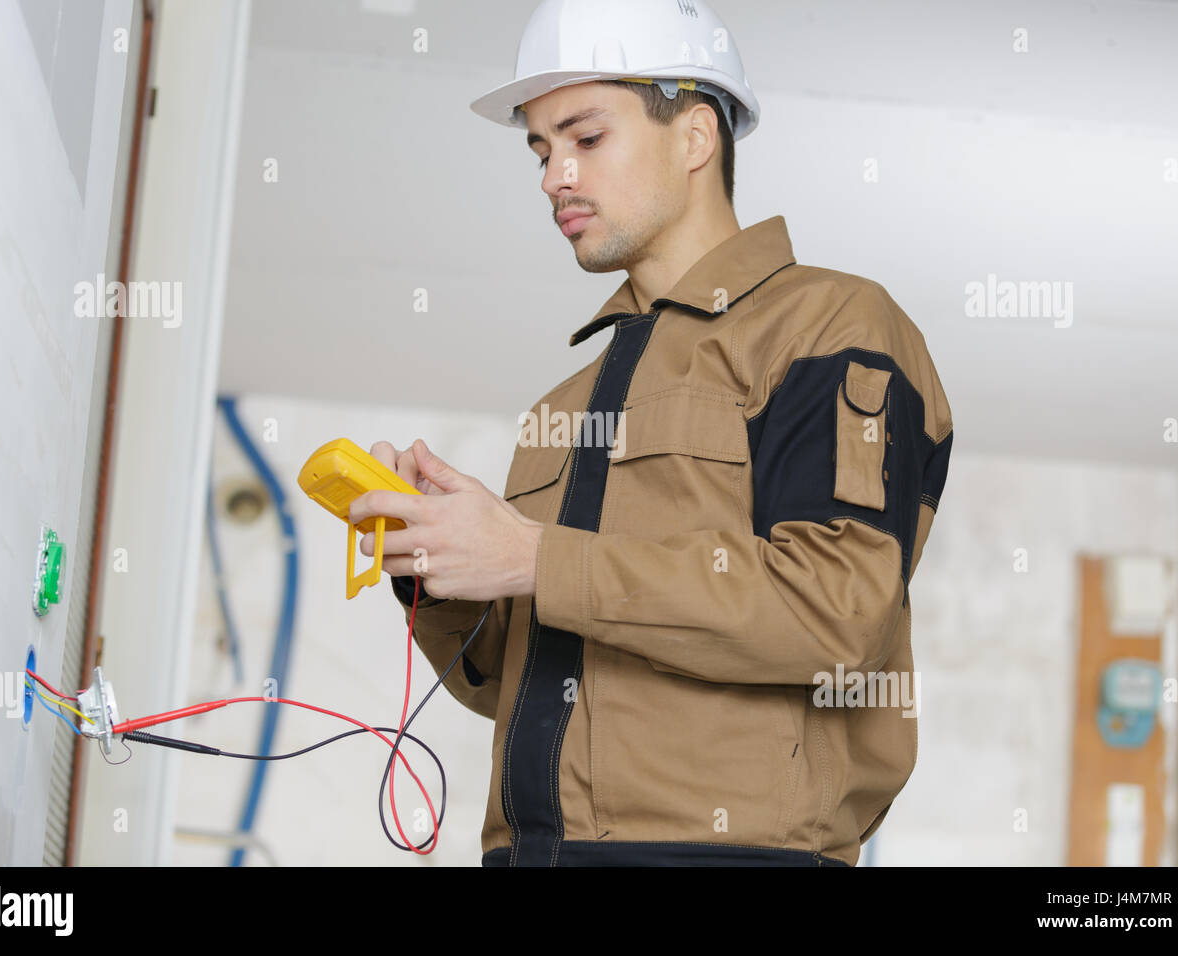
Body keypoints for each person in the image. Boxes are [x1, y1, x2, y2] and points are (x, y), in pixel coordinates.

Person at [348, 0, 953, 867]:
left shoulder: (828, 326)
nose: (554, 175)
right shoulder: (566, 403)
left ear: (696, 135)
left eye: (585, 138)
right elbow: (510, 684)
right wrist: (439, 570)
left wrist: (530, 557)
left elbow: (832, 613)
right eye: (540, 148)